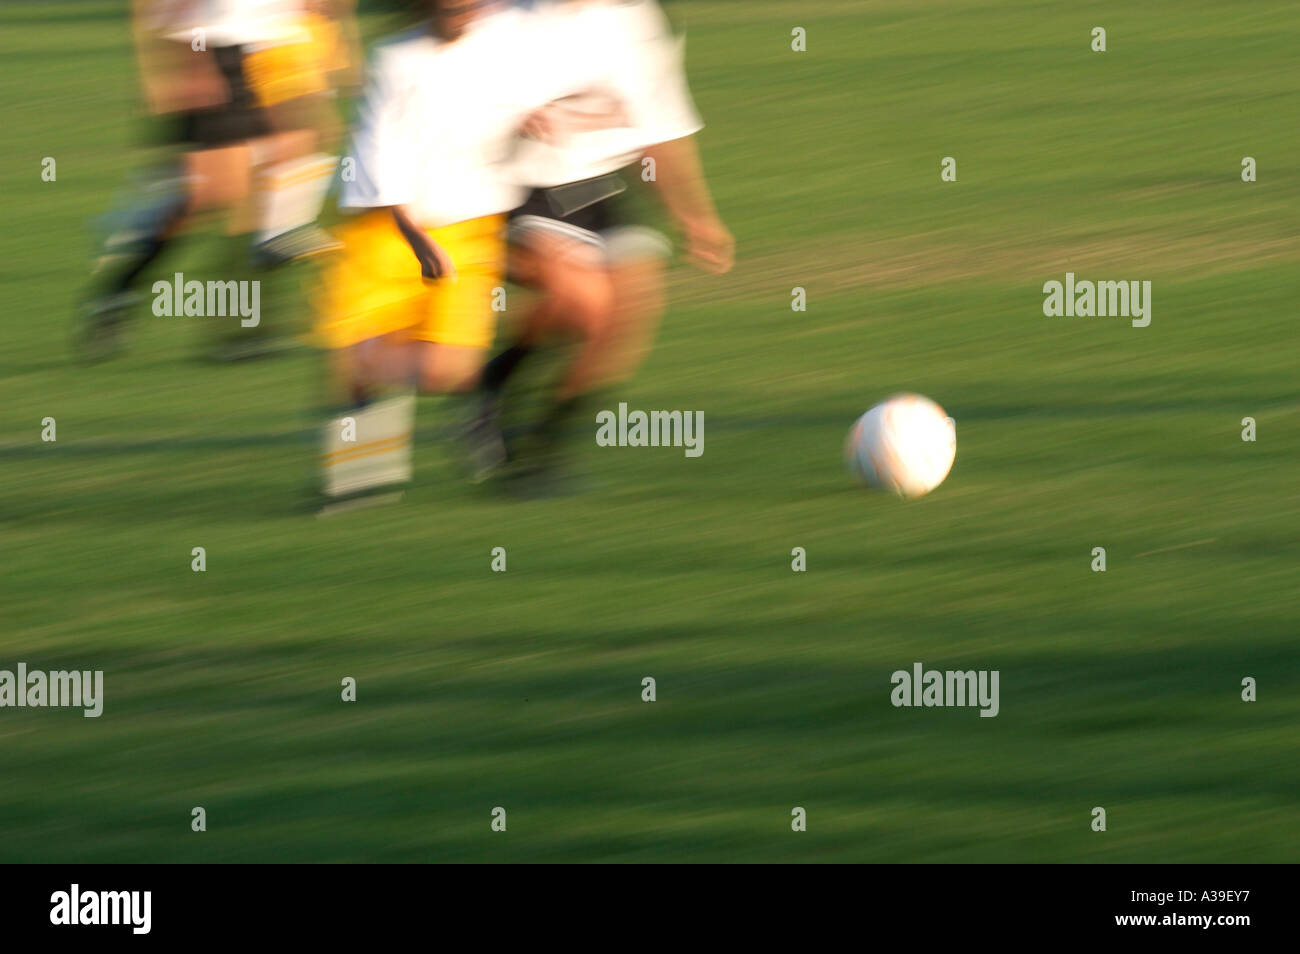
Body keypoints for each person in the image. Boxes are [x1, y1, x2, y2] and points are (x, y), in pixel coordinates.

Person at [464, 0, 734, 493]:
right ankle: (494, 389)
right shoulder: (501, 24)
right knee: (585, 306)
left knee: (628, 318)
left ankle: (543, 455)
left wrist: (696, 217)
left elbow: (661, 128)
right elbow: (459, 114)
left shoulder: (633, 21)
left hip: (604, 189)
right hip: (523, 190)